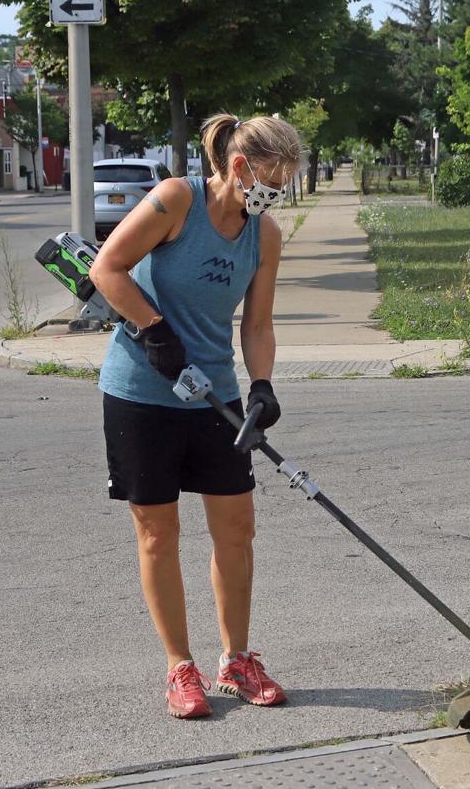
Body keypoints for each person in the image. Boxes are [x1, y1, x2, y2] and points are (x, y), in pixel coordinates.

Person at [90, 113, 299, 720]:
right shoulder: (176, 199)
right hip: (142, 391)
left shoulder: (265, 235)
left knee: (236, 529)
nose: (273, 194)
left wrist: (261, 385)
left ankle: (236, 659)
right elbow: (108, 267)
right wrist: (153, 331)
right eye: (271, 179)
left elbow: (257, 325)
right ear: (239, 166)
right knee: (159, 533)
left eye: (283, 184)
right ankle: (180, 667)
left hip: (215, 395)